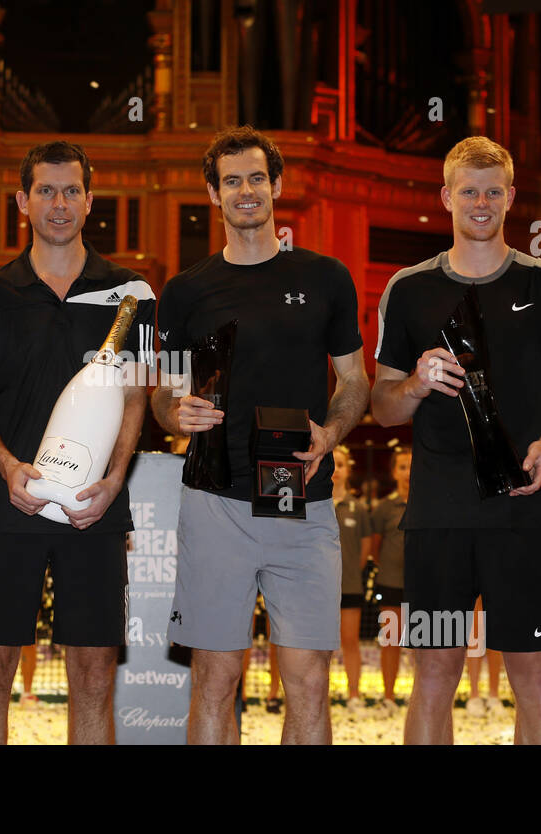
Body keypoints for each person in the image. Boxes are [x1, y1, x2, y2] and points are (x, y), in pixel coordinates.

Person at [153, 126, 370, 745]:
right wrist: (177, 413)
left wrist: (329, 432)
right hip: (214, 502)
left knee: (306, 683)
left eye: (256, 178)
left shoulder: (327, 277)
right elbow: (165, 395)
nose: (245, 191)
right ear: (213, 195)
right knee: (215, 682)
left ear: (277, 186)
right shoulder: (186, 290)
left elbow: (354, 380)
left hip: (304, 500)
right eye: (231, 181)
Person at [370, 136, 541, 745]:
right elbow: (381, 406)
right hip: (438, 514)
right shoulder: (407, 289)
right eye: (469, 190)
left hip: (524, 509)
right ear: (446, 197)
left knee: (535, 679)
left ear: (512, 197)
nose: (482, 202)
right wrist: (414, 383)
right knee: (434, 677)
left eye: (494, 190)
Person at [0, 140, 153, 744]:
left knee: (92, 678)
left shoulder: (131, 293)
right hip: (6, 506)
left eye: (71, 191)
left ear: (90, 201)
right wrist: (10, 465)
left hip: (96, 510)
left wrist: (116, 480)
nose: (59, 204)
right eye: (45, 191)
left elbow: (138, 397)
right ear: (23, 201)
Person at [369, 446, 410, 712]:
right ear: (394, 472)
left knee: (425, 645)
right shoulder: (384, 508)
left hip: (425, 587)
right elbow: (375, 548)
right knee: (391, 641)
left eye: (413, 466)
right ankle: (389, 697)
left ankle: (422, 697)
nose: (408, 473)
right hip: (391, 584)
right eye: (403, 467)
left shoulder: (433, 504)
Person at [332, 444, 372, 710]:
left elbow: (366, 548)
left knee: (350, 641)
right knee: (316, 645)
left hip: (349, 586)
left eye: (341, 464)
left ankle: (354, 694)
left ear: (348, 471)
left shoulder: (357, 508)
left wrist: (348, 574)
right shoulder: (313, 505)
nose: (335, 470)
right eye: (331, 463)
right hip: (316, 588)